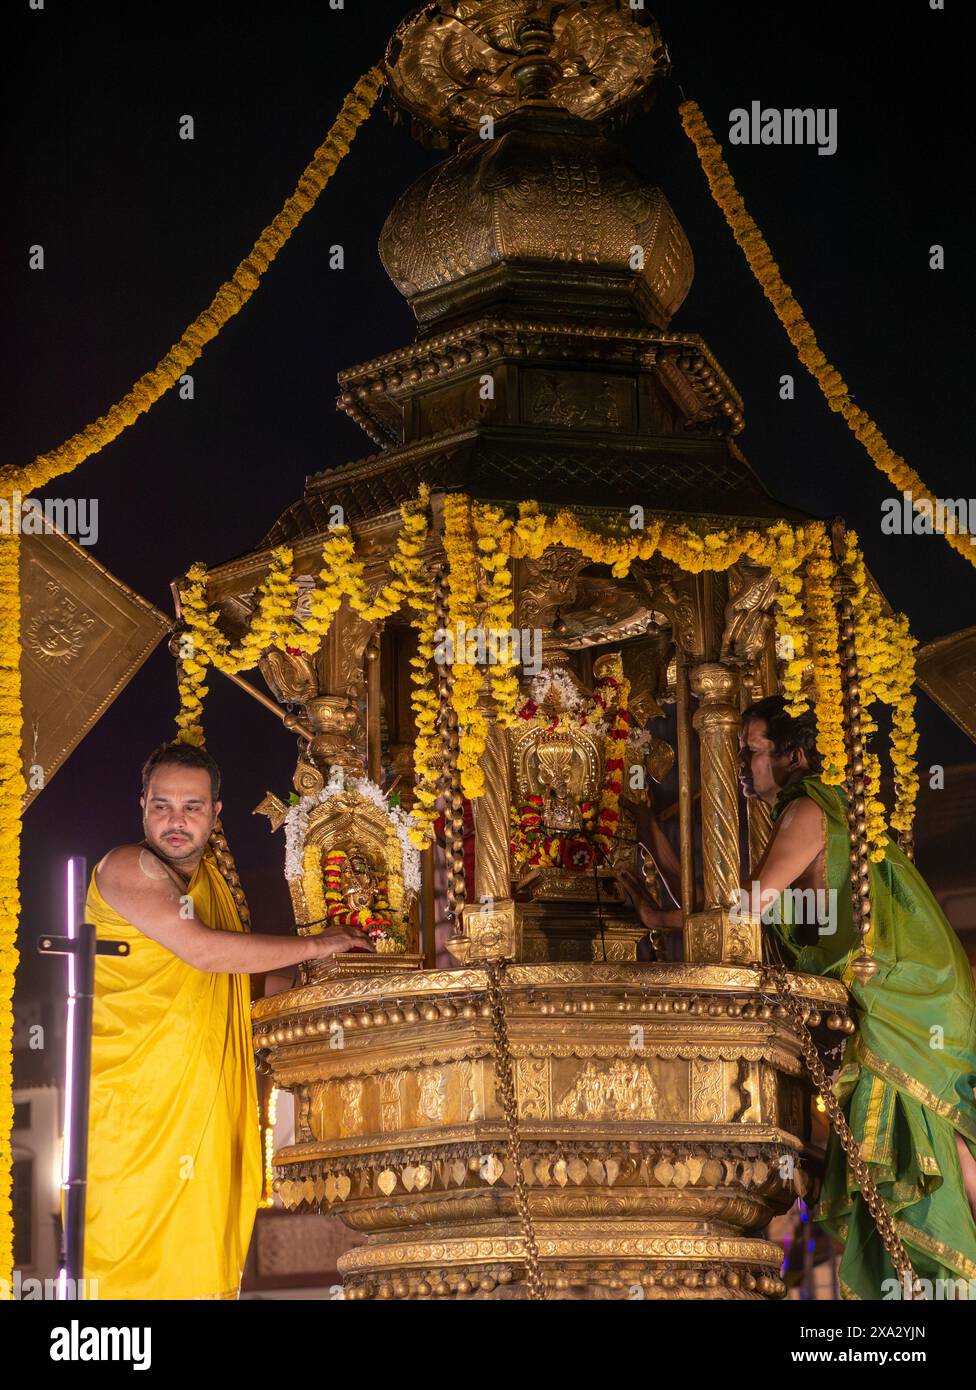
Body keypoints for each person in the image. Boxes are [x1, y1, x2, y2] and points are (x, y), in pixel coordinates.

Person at [617, 695, 976, 1298]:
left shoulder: (809, 810)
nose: (741, 764)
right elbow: (738, 913)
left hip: (902, 997)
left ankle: (948, 1282)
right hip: (905, 993)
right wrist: (653, 838)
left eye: (752, 750)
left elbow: (741, 912)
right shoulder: (812, 809)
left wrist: (663, 912)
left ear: (796, 754)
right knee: (929, 1143)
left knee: (921, 1137)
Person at [83, 740, 368, 1299]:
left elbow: (246, 978)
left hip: (208, 1105)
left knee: (203, 1258)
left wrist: (331, 985)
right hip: (138, 1112)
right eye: (162, 805)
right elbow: (207, 954)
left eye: (192, 807)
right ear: (141, 805)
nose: (175, 821)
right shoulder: (127, 868)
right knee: (130, 1258)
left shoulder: (213, 884)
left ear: (216, 813)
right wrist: (314, 946)